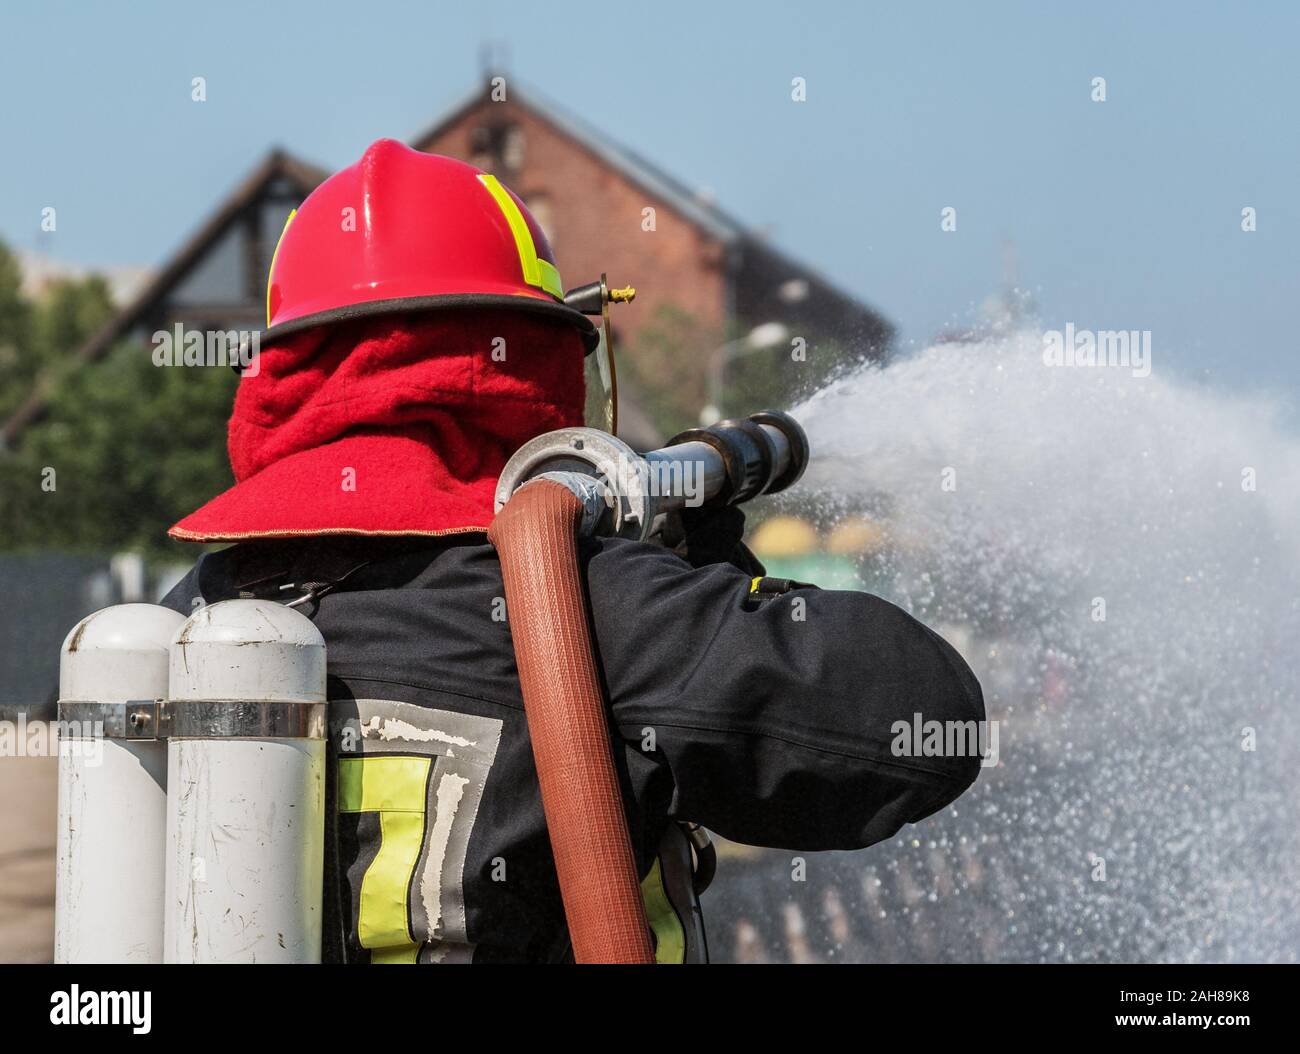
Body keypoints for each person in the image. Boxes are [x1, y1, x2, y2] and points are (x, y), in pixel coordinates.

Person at [161, 139, 985, 963]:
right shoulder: (591, 610)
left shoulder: (174, 629)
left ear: (282, 374)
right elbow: (927, 719)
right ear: (530, 362)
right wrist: (703, 567)